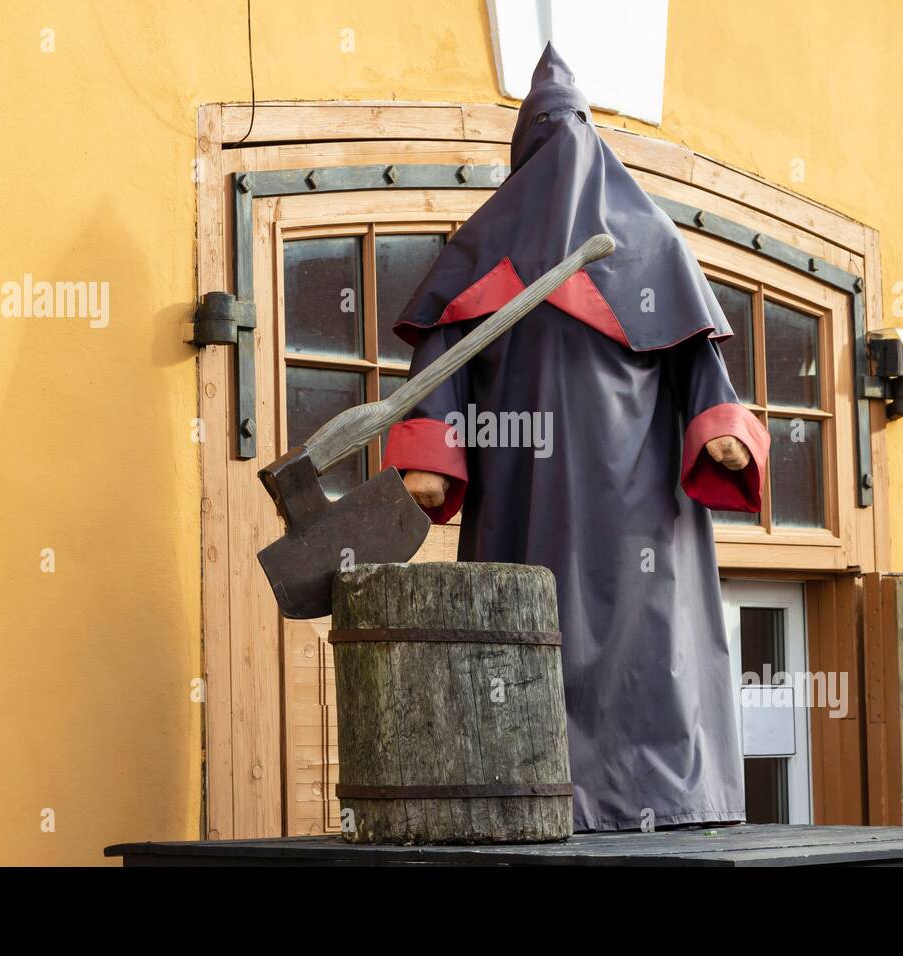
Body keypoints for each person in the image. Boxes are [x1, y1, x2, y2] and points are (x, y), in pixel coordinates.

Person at [382, 43, 770, 832]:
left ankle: (662, 800)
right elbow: (441, 372)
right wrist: (426, 457)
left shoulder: (643, 245)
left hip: (628, 500)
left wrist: (722, 430)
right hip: (530, 494)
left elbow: (700, 368)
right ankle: (536, 792)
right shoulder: (484, 251)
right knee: (529, 638)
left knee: (642, 639)